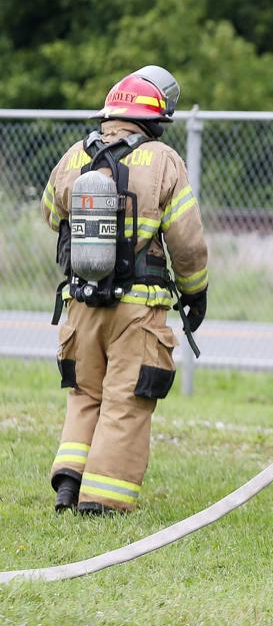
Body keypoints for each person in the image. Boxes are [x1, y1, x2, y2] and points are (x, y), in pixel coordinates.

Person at [42, 66, 208, 514]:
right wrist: (195, 292)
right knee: (126, 399)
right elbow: (187, 243)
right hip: (137, 309)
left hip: (80, 304)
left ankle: (69, 481)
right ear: (156, 119)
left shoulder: (75, 155)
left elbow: (51, 213)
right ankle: (104, 500)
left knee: (84, 393)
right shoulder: (163, 160)